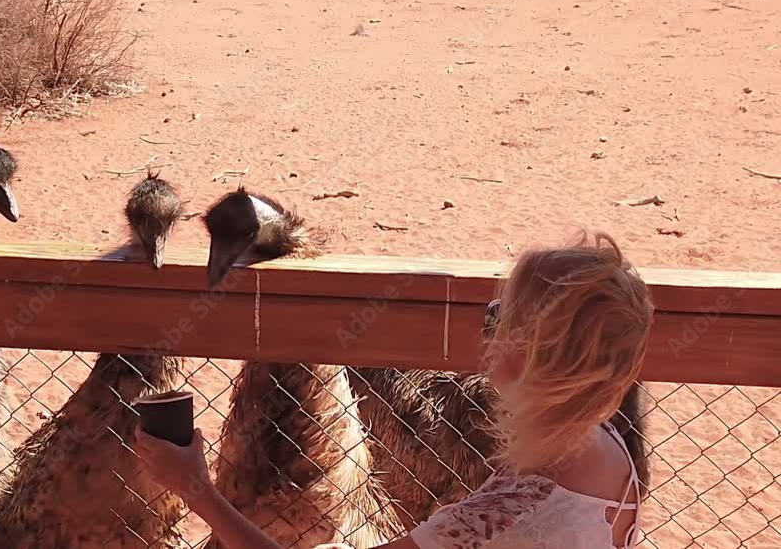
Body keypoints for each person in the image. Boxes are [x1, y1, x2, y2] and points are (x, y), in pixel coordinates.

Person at [136, 231, 652, 549]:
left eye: (501, 318)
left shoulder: (506, 512)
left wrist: (194, 490)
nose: (487, 333)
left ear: (532, 354)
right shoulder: (604, 448)